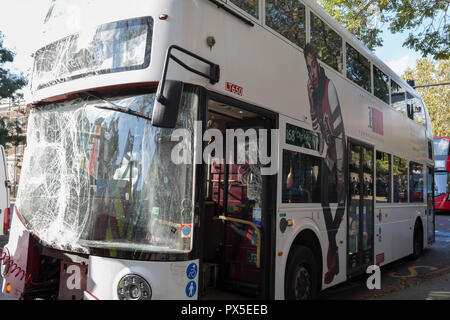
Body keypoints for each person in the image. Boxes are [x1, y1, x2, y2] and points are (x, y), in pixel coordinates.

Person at [304, 43, 346, 284]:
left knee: (340, 197)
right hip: (328, 152)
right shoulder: (315, 92)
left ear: (319, 66)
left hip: (339, 151)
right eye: (308, 67)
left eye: (314, 65)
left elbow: (338, 129)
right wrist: (310, 100)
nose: (312, 71)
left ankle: (333, 255)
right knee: (322, 198)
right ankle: (334, 252)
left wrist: (340, 168)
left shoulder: (330, 88)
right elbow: (316, 129)